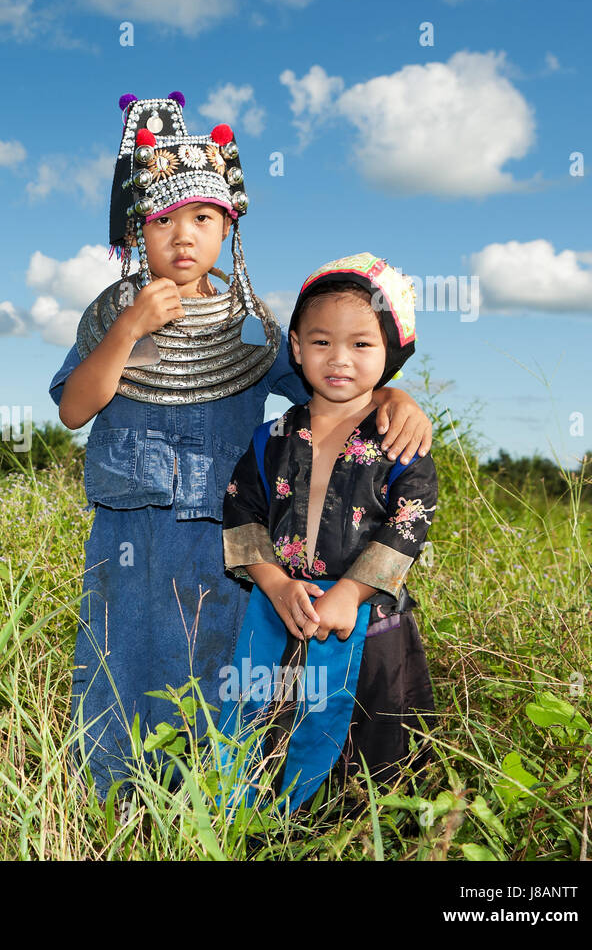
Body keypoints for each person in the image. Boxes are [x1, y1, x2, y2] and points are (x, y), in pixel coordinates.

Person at [48, 92, 433, 803]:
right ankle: (108, 806)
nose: (183, 236)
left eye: (203, 218)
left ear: (229, 227)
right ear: (138, 228)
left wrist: (394, 398)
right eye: (163, 219)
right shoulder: (109, 313)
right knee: (119, 662)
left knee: (220, 676)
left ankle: (210, 806)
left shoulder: (253, 327)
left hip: (233, 548)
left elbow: (329, 387)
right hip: (130, 537)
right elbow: (76, 408)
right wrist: (130, 329)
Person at [217, 253, 438, 812]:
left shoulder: (399, 439)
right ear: (295, 347)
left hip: (374, 636)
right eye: (320, 342)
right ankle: (265, 834)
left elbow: (408, 524)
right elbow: (242, 514)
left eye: (362, 344)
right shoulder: (271, 437)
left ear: (391, 354)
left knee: (374, 761)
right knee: (268, 740)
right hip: (286, 620)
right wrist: (274, 584)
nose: (339, 359)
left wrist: (351, 591)